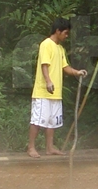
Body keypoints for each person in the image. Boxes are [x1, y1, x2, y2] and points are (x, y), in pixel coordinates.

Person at [28, 18, 87, 158]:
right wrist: (48, 81)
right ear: (57, 31)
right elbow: (44, 64)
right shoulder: (46, 44)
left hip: (56, 92)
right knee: (37, 120)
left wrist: (77, 72)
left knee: (52, 122)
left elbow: (65, 67)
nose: (66, 36)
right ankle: (31, 147)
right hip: (43, 91)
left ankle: (50, 148)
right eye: (65, 33)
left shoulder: (60, 49)